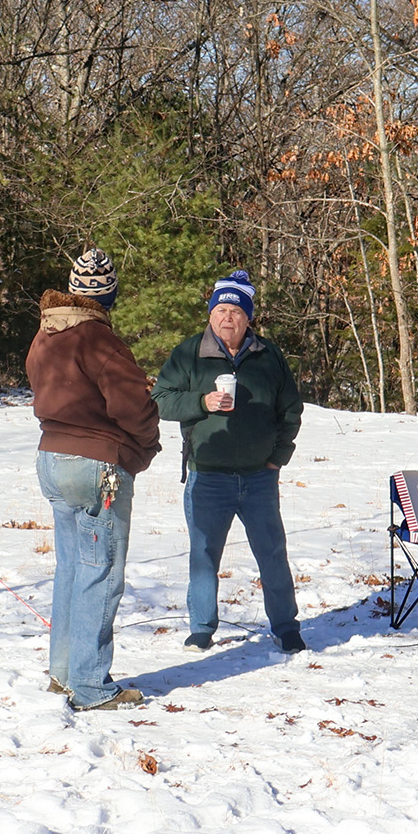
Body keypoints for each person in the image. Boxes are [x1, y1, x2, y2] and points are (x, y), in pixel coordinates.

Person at [27, 248, 160, 711]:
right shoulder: (98, 339)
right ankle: (90, 685)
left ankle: (63, 673)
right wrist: (146, 442)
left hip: (51, 459)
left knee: (71, 568)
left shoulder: (45, 333)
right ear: (109, 295)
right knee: (99, 571)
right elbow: (133, 405)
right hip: (95, 466)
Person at [152, 271, 307, 653]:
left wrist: (277, 459)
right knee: (204, 554)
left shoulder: (268, 356)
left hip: (259, 478)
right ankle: (201, 628)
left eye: (235, 312)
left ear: (248, 318)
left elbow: (291, 410)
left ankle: (286, 626)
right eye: (220, 309)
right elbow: (159, 400)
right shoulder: (189, 353)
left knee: (272, 552)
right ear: (210, 314)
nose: (227, 318)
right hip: (208, 476)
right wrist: (200, 402)